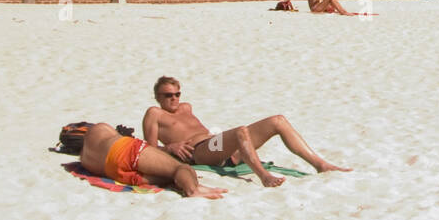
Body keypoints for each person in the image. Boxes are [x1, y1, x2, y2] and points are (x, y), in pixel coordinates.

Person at [142, 76, 350, 188]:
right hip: (199, 152)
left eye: (177, 93)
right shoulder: (154, 114)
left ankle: (320, 164)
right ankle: (264, 176)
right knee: (240, 131)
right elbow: (149, 151)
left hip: (220, 147)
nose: (174, 98)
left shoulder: (186, 107)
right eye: (168, 95)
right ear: (158, 97)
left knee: (278, 121)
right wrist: (170, 147)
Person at [64, 122, 227, 199]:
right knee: (180, 168)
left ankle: (193, 186)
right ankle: (194, 190)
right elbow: (120, 137)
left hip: (115, 171)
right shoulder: (97, 129)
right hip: (125, 150)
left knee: (170, 178)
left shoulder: (84, 160)